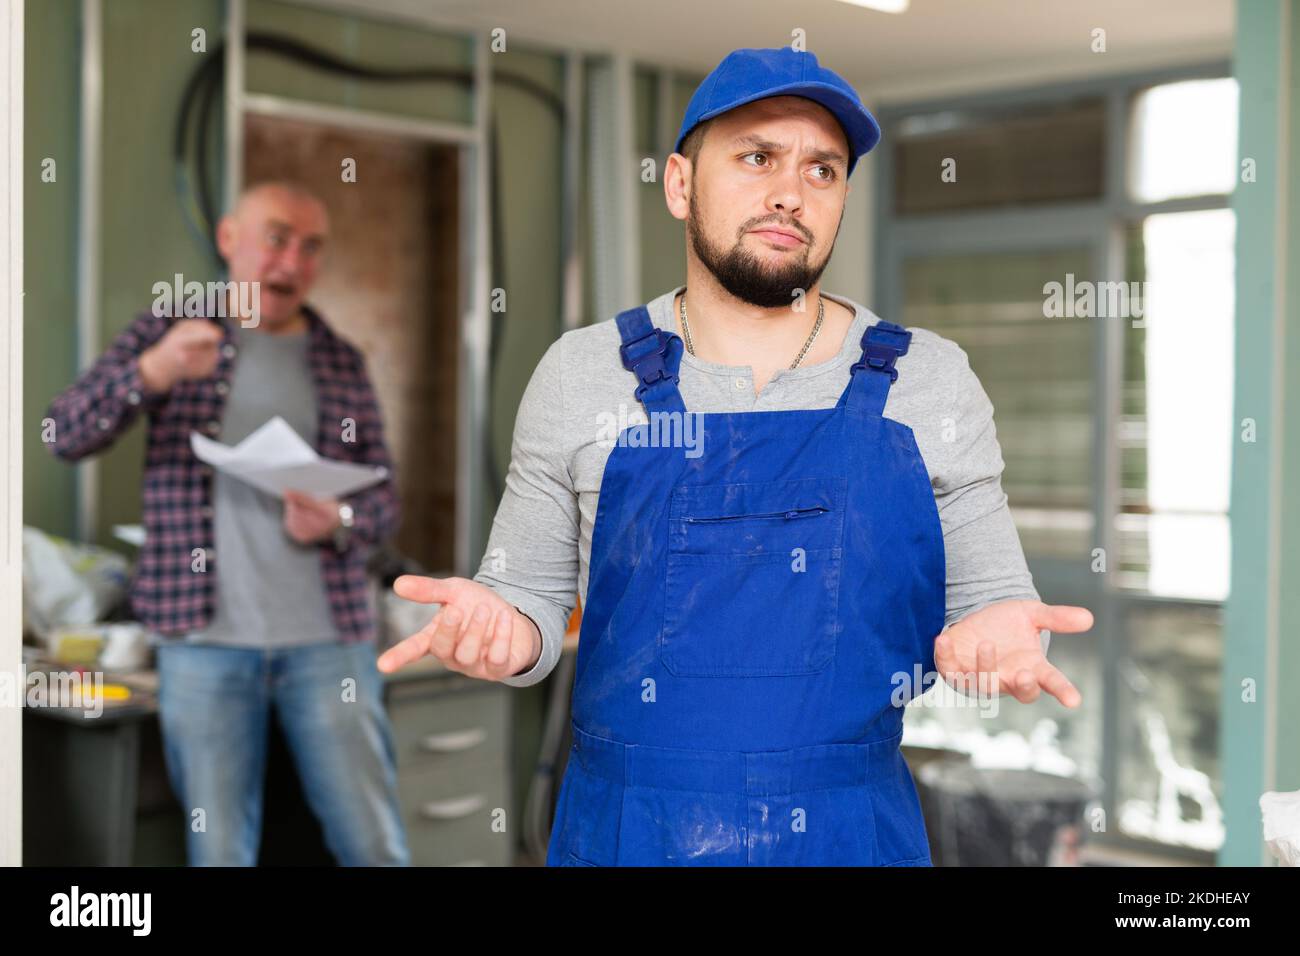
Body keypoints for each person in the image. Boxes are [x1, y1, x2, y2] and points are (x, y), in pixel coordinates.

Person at [378, 47, 1093, 866]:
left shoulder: (928, 381)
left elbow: (993, 603)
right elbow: (528, 607)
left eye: (822, 170)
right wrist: (501, 633)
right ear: (680, 183)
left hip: (849, 835)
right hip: (628, 834)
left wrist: (994, 639)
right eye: (757, 158)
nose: (790, 191)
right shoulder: (583, 373)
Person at [46, 180, 409, 866]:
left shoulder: (340, 359)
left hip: (330, 642)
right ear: (229, 239)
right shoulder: (173, 333)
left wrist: (340, 518)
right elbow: (61, 432)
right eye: (275, 238)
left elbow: (384, 501)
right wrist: (150, 373)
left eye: (310, 248)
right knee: (219, 853)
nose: (291, 262)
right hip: (201, 643)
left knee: (373, 844)